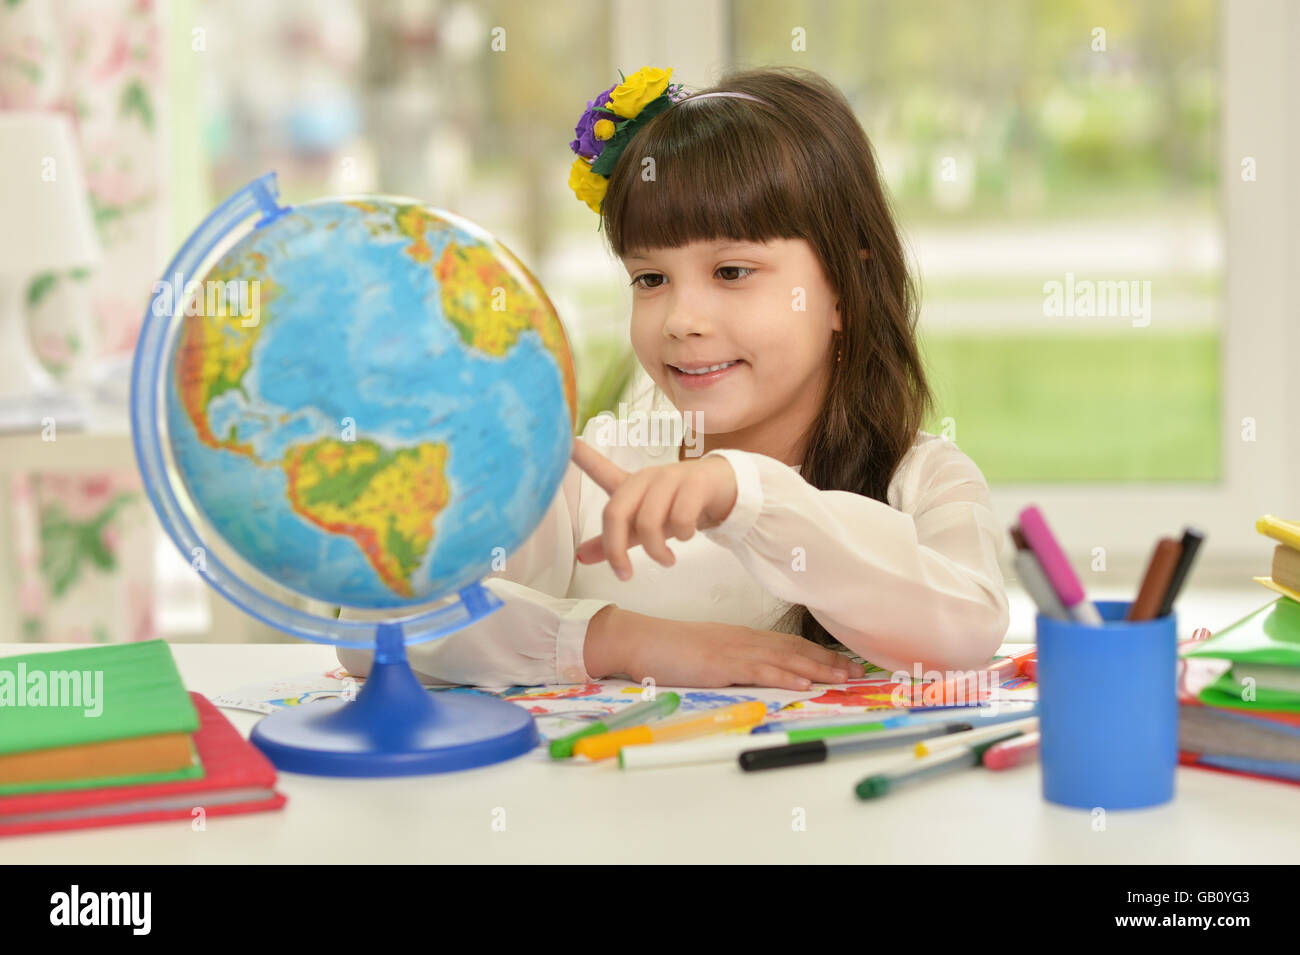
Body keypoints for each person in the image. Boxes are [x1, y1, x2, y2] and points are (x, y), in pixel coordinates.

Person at [338, 65, 1009, 690]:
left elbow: (967, 634)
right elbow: (373, 624)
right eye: (650, 278)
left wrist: (745, 494)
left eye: (731, 272)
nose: (682, 319)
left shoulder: (924, 477)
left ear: (843, 287)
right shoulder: (589, 472)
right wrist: (622, 640)